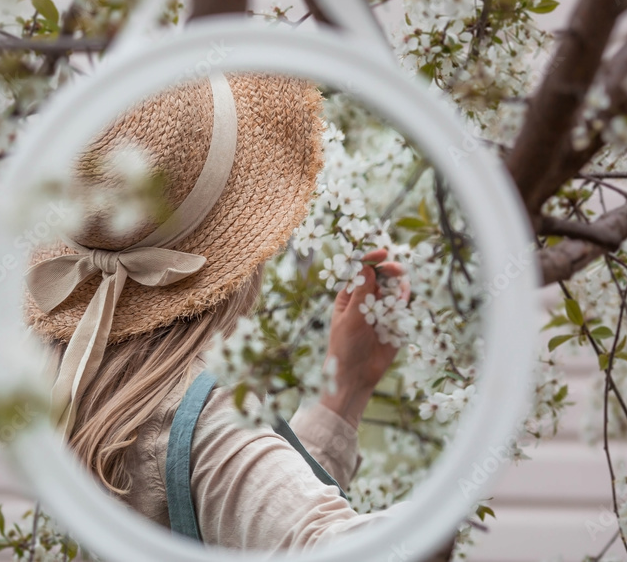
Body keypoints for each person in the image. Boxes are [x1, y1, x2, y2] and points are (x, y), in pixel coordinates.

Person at [23, 72, 452, 558]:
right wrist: (459, 482)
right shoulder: (202, 420)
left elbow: (235, 502)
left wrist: (344, 390)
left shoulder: (84, 384)